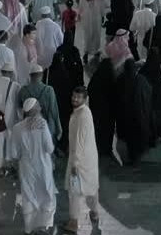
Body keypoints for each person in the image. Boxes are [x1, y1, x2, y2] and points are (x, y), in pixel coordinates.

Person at [9, 98, 58, 235]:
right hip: (44, 168)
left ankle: (29, 229)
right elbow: (49, 148)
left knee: (29, 196)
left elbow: (14, 153)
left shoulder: (17, 128)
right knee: (46, 195)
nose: (41, 108)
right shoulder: (42, 125)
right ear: (36, 110)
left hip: (26, 169)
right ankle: (44, 226)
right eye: (39, 106)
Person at [63, 86, 100, 232]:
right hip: (88, 159)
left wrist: (75, 164)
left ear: (85, 99)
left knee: (74, 192)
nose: (75, 99)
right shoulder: (82, 112)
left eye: (78, 97)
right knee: (91, 188)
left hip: (79, 160)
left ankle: (73, 222)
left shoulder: (83, 115)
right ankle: (95, 212)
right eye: (74, 96)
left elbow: (79, 141)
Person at [18, 64, 62, 143]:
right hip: (47, 126)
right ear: (41, 75)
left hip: (29, 126)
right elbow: (54, 111)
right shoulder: (49, 90)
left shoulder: (23, 90)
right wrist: (59, 128)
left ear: (30, 76)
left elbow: (20, 107)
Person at [32, 6, 64, 71]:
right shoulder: (56, 26)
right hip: (52, 55)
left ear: (41, 15)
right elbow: (61, 41)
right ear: (49, 14)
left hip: (40, 56)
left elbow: (34, 39)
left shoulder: (38, 25)